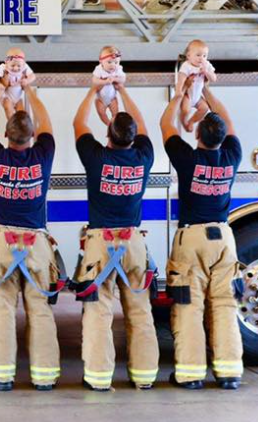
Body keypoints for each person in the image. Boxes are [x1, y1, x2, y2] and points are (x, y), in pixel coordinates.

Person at [72, 81, 159, 391]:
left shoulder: (96, 158)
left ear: (107, 136)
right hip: (134, 242)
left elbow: (78, 123)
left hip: (100, 245)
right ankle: (145, 376)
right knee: (140, 310)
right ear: (134, 138)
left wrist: (92, 91)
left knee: (98, 311)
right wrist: (122, 92)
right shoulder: (144, 156)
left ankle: (98, 378)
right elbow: (144, 125)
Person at [0, 85, 62, 391]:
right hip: (37, 243)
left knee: (2, 308)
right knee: (39, 308)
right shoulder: (44, 154)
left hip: (3, 242)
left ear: (6, 135)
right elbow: (47, 123)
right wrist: (28, 90)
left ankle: (0, 376)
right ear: (33, 136)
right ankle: (45, 377)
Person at [161, 81, 243, 390]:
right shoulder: (233, 155)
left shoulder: (187, 159)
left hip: (191, 240)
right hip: (223, 240)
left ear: (197, 135)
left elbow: (166, 124)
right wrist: (206, 93)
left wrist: (182, 93)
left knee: (188, 305)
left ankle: (191, 374)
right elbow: (227, 120)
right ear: (223, 137)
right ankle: (230, 372)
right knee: (225, 305)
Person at [178, 39, 217, 132]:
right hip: (188, 95)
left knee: (205, 108)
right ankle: (183, 121)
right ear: (188, 56)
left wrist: (207, 72)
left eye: (204, 56)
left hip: (198, 96)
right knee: (185, 110)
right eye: (198, 55)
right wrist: (179, 92)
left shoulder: (206, 65)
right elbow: (181, 79)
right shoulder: (186, 65)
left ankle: (191, 122)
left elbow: (214, 78)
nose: (201, 58)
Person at [92, 46, 126, 126]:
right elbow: (94, 80)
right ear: (101, 61)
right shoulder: (99, 69)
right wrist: (105, 81)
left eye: (116, 62)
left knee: (115, 112)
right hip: (100, 99)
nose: (113, 65)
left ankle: (114, 124)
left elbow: (123, 79)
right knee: (101, 112)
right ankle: (108, 124)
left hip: (112, 98)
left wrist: (115, 79)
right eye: (109, 62)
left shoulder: (118, 69)